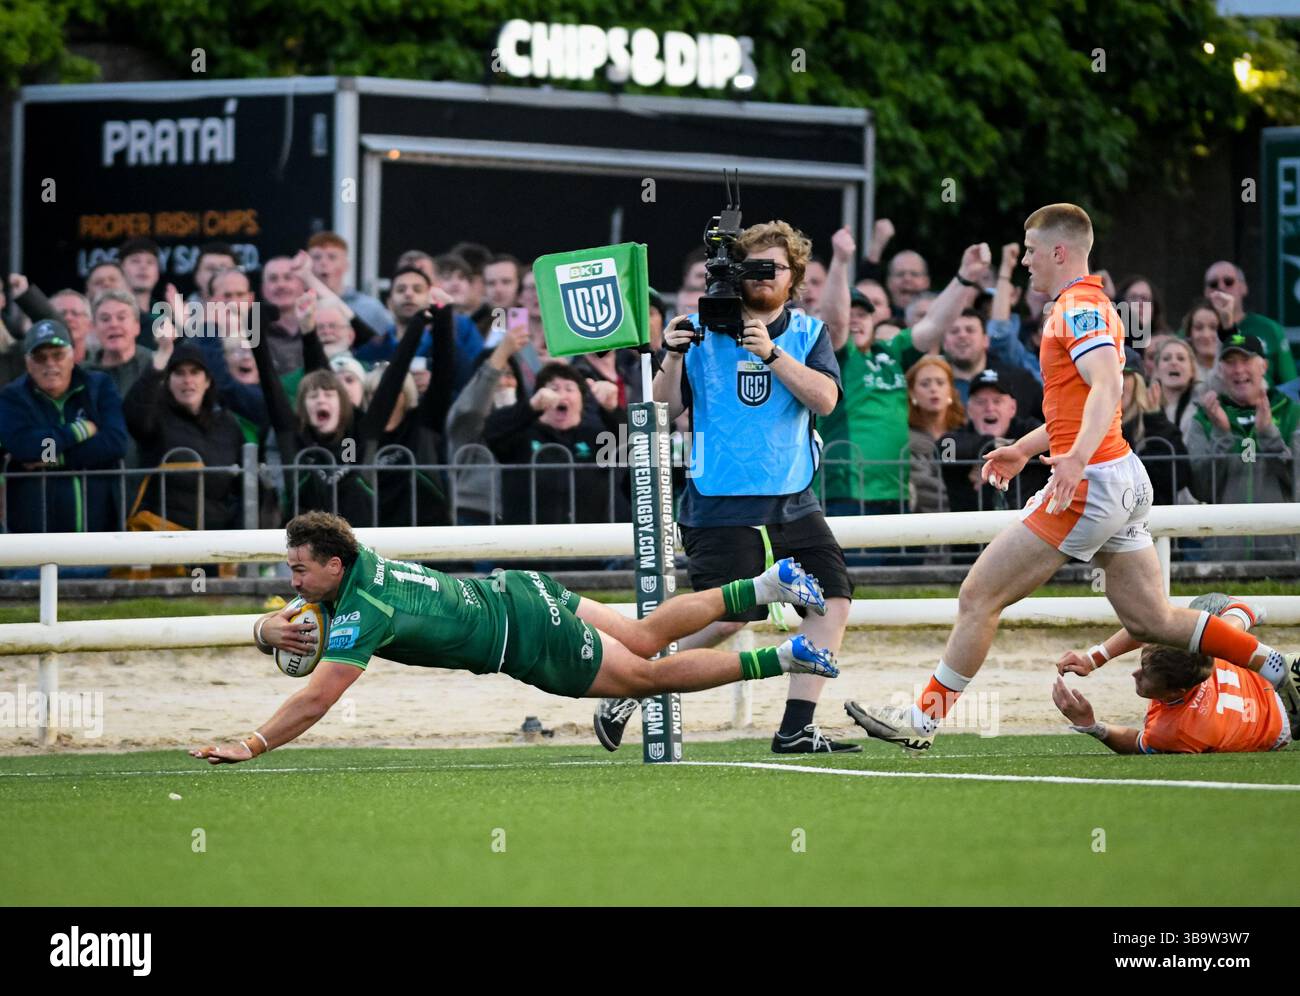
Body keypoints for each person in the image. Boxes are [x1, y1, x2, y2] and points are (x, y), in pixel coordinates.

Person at [844, 203, 1293, 754]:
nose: (1026, 261)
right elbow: (1079, 403)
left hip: (1093, 480)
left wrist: (1075, 458)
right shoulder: (1087, 303)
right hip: (1119, 475)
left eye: (1031, 251)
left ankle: (923, 718)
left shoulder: (1077, 306)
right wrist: (1025, 449)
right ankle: (1274, 665)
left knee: (978, 594)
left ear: (1059, 252)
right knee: (1151, 619)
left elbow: (1107, 386)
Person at [188, 511, 838, 764]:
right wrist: (261, 626)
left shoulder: (362, 610)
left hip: (525, 641)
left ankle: (783, 655)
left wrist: (254, 742)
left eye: (298, 569)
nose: (292, 580)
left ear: (332, 566)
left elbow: (315, 699)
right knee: (642, 637)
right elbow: (305, 619)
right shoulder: (362, 563)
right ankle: (767, 585)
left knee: (644, 677)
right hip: (521, 589)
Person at [634, 218, 862, 755]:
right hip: (718, 500)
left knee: (831, 601)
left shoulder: (807, 332)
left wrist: (772, 354)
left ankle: (797, 726)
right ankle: (632, 683)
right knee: (727, 619)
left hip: (791, 497)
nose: (761, 278)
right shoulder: (697, 329)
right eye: (751, 267)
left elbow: (826, 401)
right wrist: (669, 354)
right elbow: (663, 412)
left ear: (794, 277)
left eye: (773, 268)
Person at [821, 246, 988, 523]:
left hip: (896, 495)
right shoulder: (833, 355)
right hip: (844, 495)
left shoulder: (891, 351)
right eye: (849, 312)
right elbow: (834, 324)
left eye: (862, 314)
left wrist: (965, 277)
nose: (855, 320)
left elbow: (935, 322)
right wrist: (839, 261)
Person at [1052, 594, 1296, 754]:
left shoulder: (1176, 732)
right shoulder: (1212, 651)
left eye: (1145, 675)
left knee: (1200, 618)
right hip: (1282, 678)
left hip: (1283, 722)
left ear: (1175, 692)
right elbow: (1150, 626)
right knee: (1199, 623)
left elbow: (1138, 744)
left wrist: (1091, 726)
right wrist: (1092, 659)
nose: (1134, 675)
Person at [0, 320, 128, 533]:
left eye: (57, 355)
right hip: (33, 543)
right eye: (40, 358)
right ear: (28, 363)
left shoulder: (98, 386)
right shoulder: (12, 396)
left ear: (72, 356)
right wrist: (78, 430)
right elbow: (23, 447)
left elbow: (115, 442)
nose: (50, 364)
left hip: (99, 538)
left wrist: (55, 457)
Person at [1185, 333, 1298, 559]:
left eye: (1245, 360)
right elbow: (1202, 489)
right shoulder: (1204, 419)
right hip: (1223, 560)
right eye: (1230, 362)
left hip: (1285, 558)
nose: (1238, 370)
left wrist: (1268, 435)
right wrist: (1222, 435)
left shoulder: (1292, 413)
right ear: (1220, 370)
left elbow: (1295, 483)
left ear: (1263, 366)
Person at [122, 338, 246, 530]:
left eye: (195, 372)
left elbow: (243, 484)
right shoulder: (156, 417)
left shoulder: (227, 424)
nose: (187, 380)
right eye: (179, 373)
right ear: (168, 381)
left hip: (216, 539)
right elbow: (133, 414)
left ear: (207, 381)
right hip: (163, 537)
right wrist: (160, 359)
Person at [1203, 260, 1297, 388]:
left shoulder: (1269, 328)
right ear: (1206, 292)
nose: (1221, 287)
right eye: (1213, 284)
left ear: (1243, 287)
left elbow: (1290, 385)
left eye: (1228, 281)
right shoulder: (1194, 331)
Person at [1119, 363, 1186, 508]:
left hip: (1154, 521)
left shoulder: (1158, 426)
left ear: (1139, 382)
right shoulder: (1089, 428)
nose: (1118, 380)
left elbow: (1176, 480)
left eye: (1125, 374)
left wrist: (1155, 422)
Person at [906, 355, 965, 516]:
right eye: (925, 384)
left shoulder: (964, 434)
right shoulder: (905, 438)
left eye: (940, 383)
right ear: (912, 393)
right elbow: (925, 489)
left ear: (951, 391)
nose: (933, 389)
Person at [307, 232, 390, 334]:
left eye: (332, 257)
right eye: (317, 257)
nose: (323, 263)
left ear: (346, 265)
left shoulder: (370, 308)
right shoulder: (301, 307)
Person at [1179, 299, 1222, 384]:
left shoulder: (1235, 371)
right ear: (1189, 334)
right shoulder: (1179, 370)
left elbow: (1239, 339)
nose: (1206, 335)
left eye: (1214, 328)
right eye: (1199, 327)